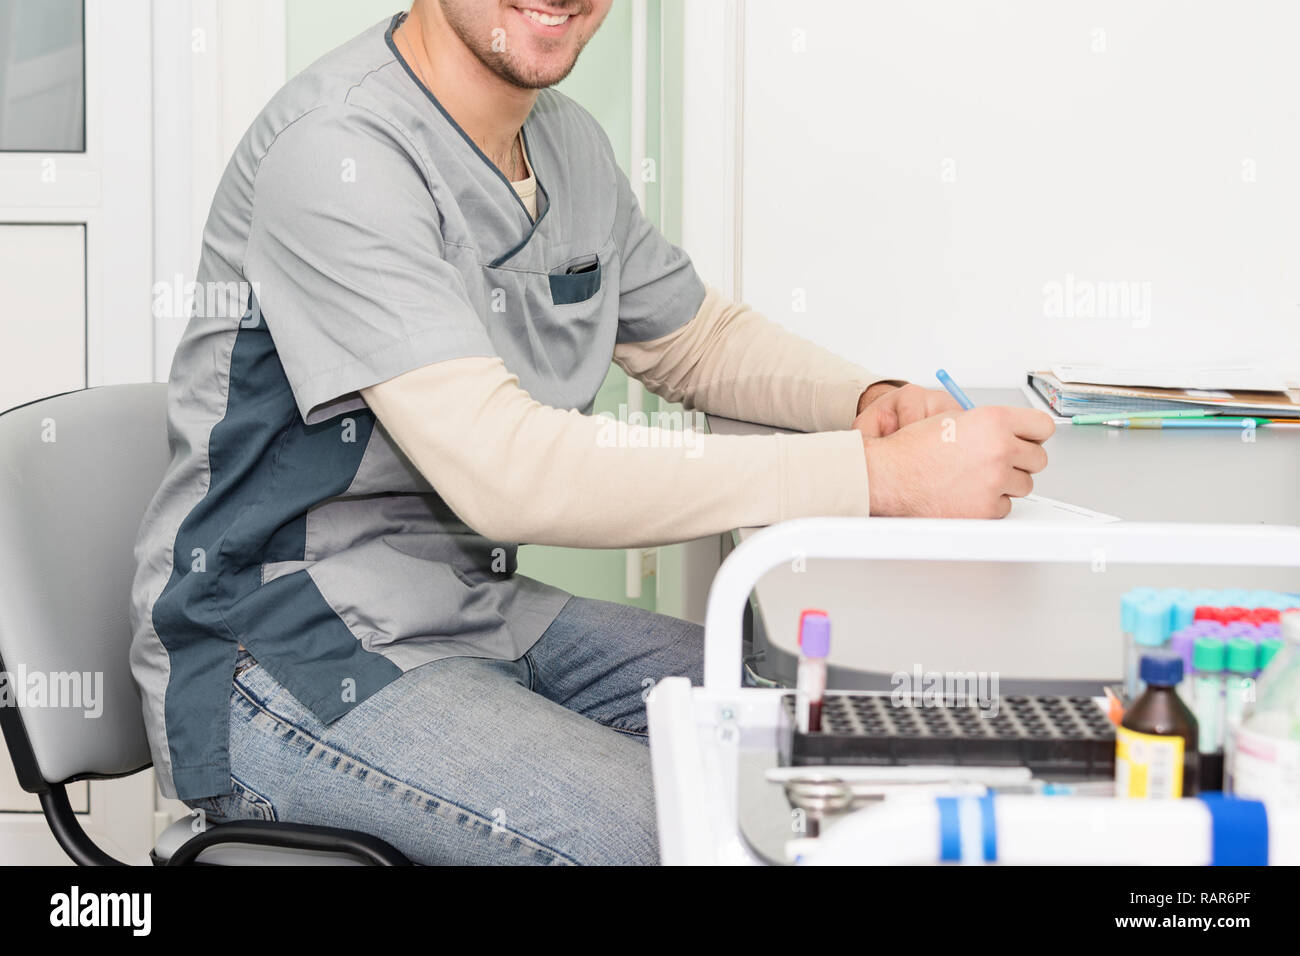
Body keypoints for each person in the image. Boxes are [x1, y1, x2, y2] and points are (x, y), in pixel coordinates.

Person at [129, 0, 1054, 865]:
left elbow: (697, 340)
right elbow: (507, 473)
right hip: (286, 651)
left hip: (474, 608)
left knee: (843, 731)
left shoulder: (562, 143)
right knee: (702, 835)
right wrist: (876, 476)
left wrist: (867, 400)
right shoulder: (336, 153)